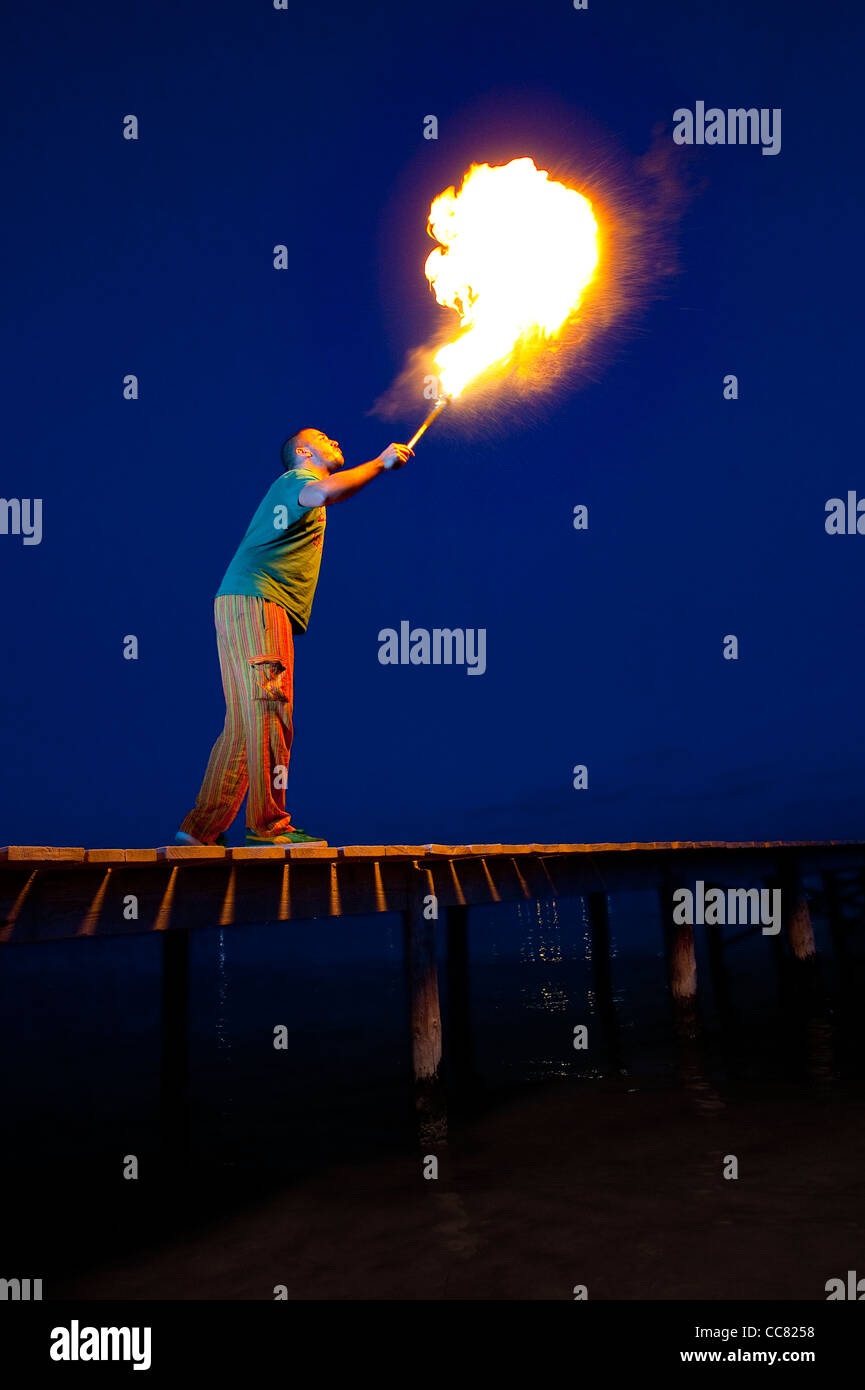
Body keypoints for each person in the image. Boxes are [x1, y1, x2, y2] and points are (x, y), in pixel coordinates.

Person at [175, 428, 413, 847]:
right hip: (259, 603)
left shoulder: (299, 486)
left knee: (244, 722)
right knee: (271, 709)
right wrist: (380, 464)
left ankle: (198, 832)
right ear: (304, 453)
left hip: (240, 602)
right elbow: (323, 494)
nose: (335, 439)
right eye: (323, 437)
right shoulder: (296, 482)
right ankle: (269, 826)